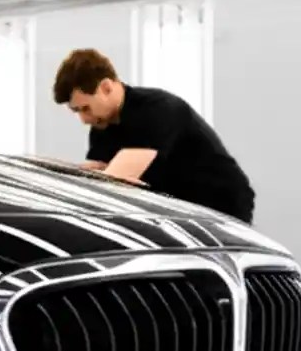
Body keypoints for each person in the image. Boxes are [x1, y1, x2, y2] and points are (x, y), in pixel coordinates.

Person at [53, 48, 256, 224]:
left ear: (106, 87)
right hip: (179, 208)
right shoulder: (102, 126)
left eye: (85, 108)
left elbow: (111, 184)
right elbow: (94, 174)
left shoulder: (156, 110)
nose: (83, 119)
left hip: (222, 204)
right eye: (76, 111)